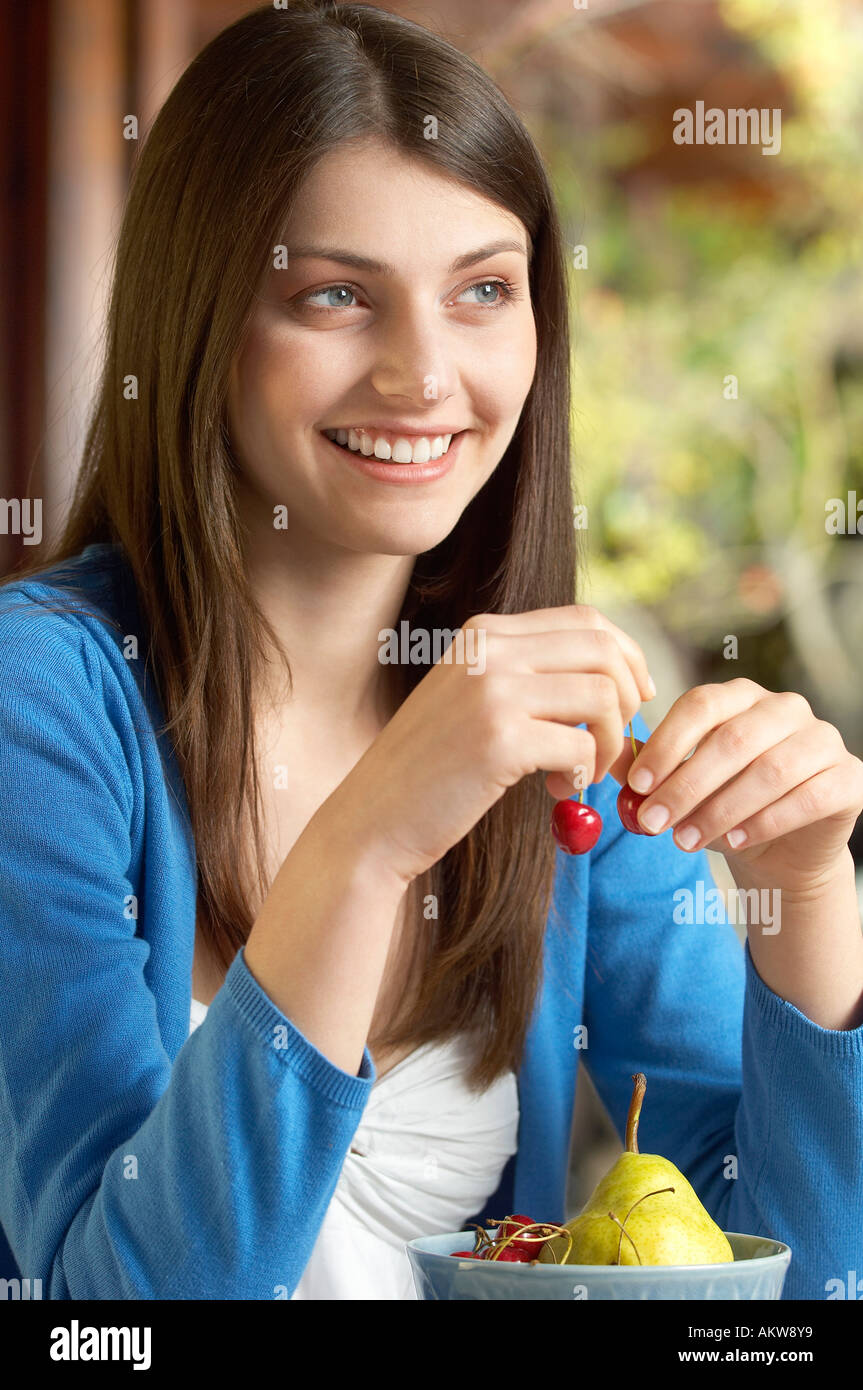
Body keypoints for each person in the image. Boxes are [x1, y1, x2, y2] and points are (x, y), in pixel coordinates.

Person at [1, 0, 861, 1301]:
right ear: (201, 319)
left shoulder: (562, 736)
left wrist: (804, 896)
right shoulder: (44, 700)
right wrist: (372, 834)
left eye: (481, 291)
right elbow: (109, 1315)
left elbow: (779, 1301)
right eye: (335, 295)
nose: (423, 373)